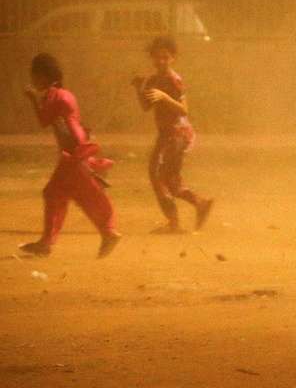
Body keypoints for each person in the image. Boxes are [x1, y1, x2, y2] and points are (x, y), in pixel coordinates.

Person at [18, 54, 121, 259]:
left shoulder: (54, 95)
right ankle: (50, 242)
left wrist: (33, 100)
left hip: (74, 154)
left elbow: (43, 120)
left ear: (46, 76)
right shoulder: (62, 94)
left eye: (36, 76)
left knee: (65, 194)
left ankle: (107, 232)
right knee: (67, 195)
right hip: (76, 152)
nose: (34, 80)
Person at [133, 35, 212, 234]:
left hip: (177, 134)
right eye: (157, 57)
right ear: (151, 57)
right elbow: (145, 106)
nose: (161, 61)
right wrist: (138, 88)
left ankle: (174, 223)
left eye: (165, 57)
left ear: (173, 58)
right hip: (166, 134)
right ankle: (200, 204)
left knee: (157, 175)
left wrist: (165, 97)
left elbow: (184, 110)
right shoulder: (153, 80)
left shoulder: (174, 80)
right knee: (171, 179)